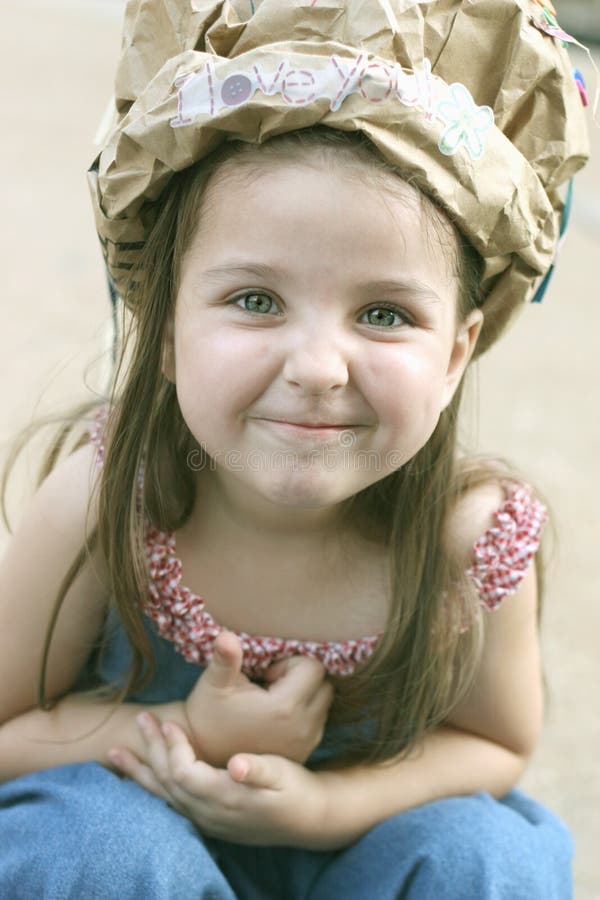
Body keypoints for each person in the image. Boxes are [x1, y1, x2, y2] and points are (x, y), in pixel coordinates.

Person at [0, 0, 590, 897]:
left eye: (383, 314)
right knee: (94, 848)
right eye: (256, 301)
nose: (317, 368)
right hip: (143, 845)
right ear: (167, 329)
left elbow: (494, 743)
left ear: (455, 354)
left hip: (367, 856)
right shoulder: (107, 494)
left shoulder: (470, 538)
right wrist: (193, 735)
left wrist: (326, 806)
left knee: (485, 856)